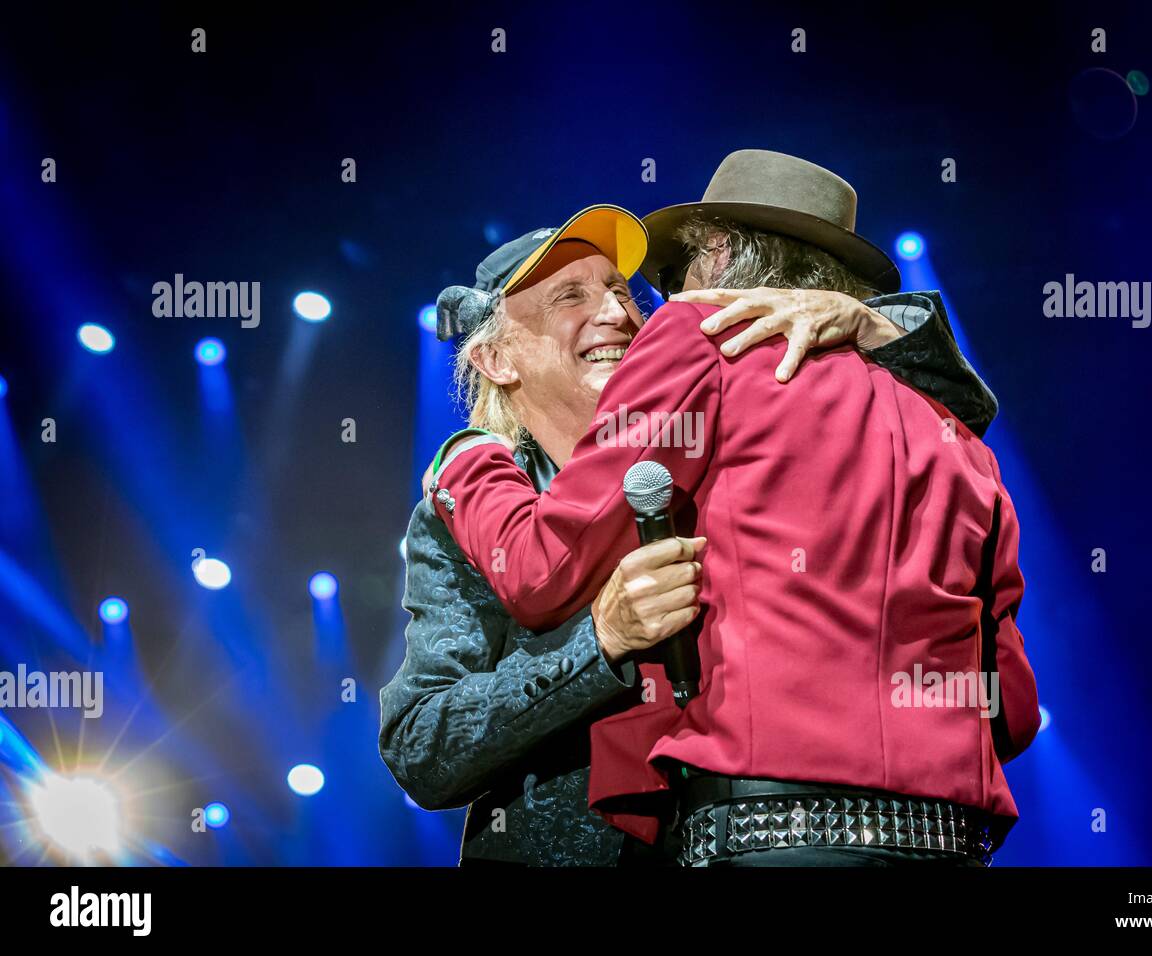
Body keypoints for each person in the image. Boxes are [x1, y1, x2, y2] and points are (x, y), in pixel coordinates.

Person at [380, 154, 1002, 866]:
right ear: (497, 360)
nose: (618, 312)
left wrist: (869, 325)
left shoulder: (729, 439)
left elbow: (957, 421)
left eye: (622, 291)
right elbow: (421, 745)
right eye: (570, 299)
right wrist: (600, 642)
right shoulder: (468, 512)